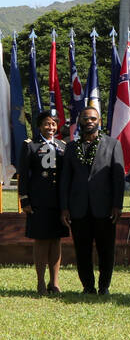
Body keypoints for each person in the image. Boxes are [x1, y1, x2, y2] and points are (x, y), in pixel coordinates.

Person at [60, 106, 124, 296]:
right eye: (86, 118)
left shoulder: (113, 144)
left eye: (93, 119)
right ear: (80, 121)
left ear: (99, 121)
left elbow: (118, 178)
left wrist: (117, 205)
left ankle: (104, 286)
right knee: (82, 250)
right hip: (78, 208)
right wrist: (64, 207)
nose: (89, 121)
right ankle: (88, 286)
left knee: (106, 249)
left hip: (104, 207)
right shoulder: (71, 147)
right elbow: (65, 180)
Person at [17, 110, 68, 295]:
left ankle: (54, 283)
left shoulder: (63, 145)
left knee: (56, 240)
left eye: (54, 124)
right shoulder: (30, 146)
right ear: (39, 126)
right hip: (38, 201)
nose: (51, 127)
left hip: (58, 202)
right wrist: (24, 199)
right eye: (47, 124)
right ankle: (40, 282)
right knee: (41, 240)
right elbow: (23, 175)